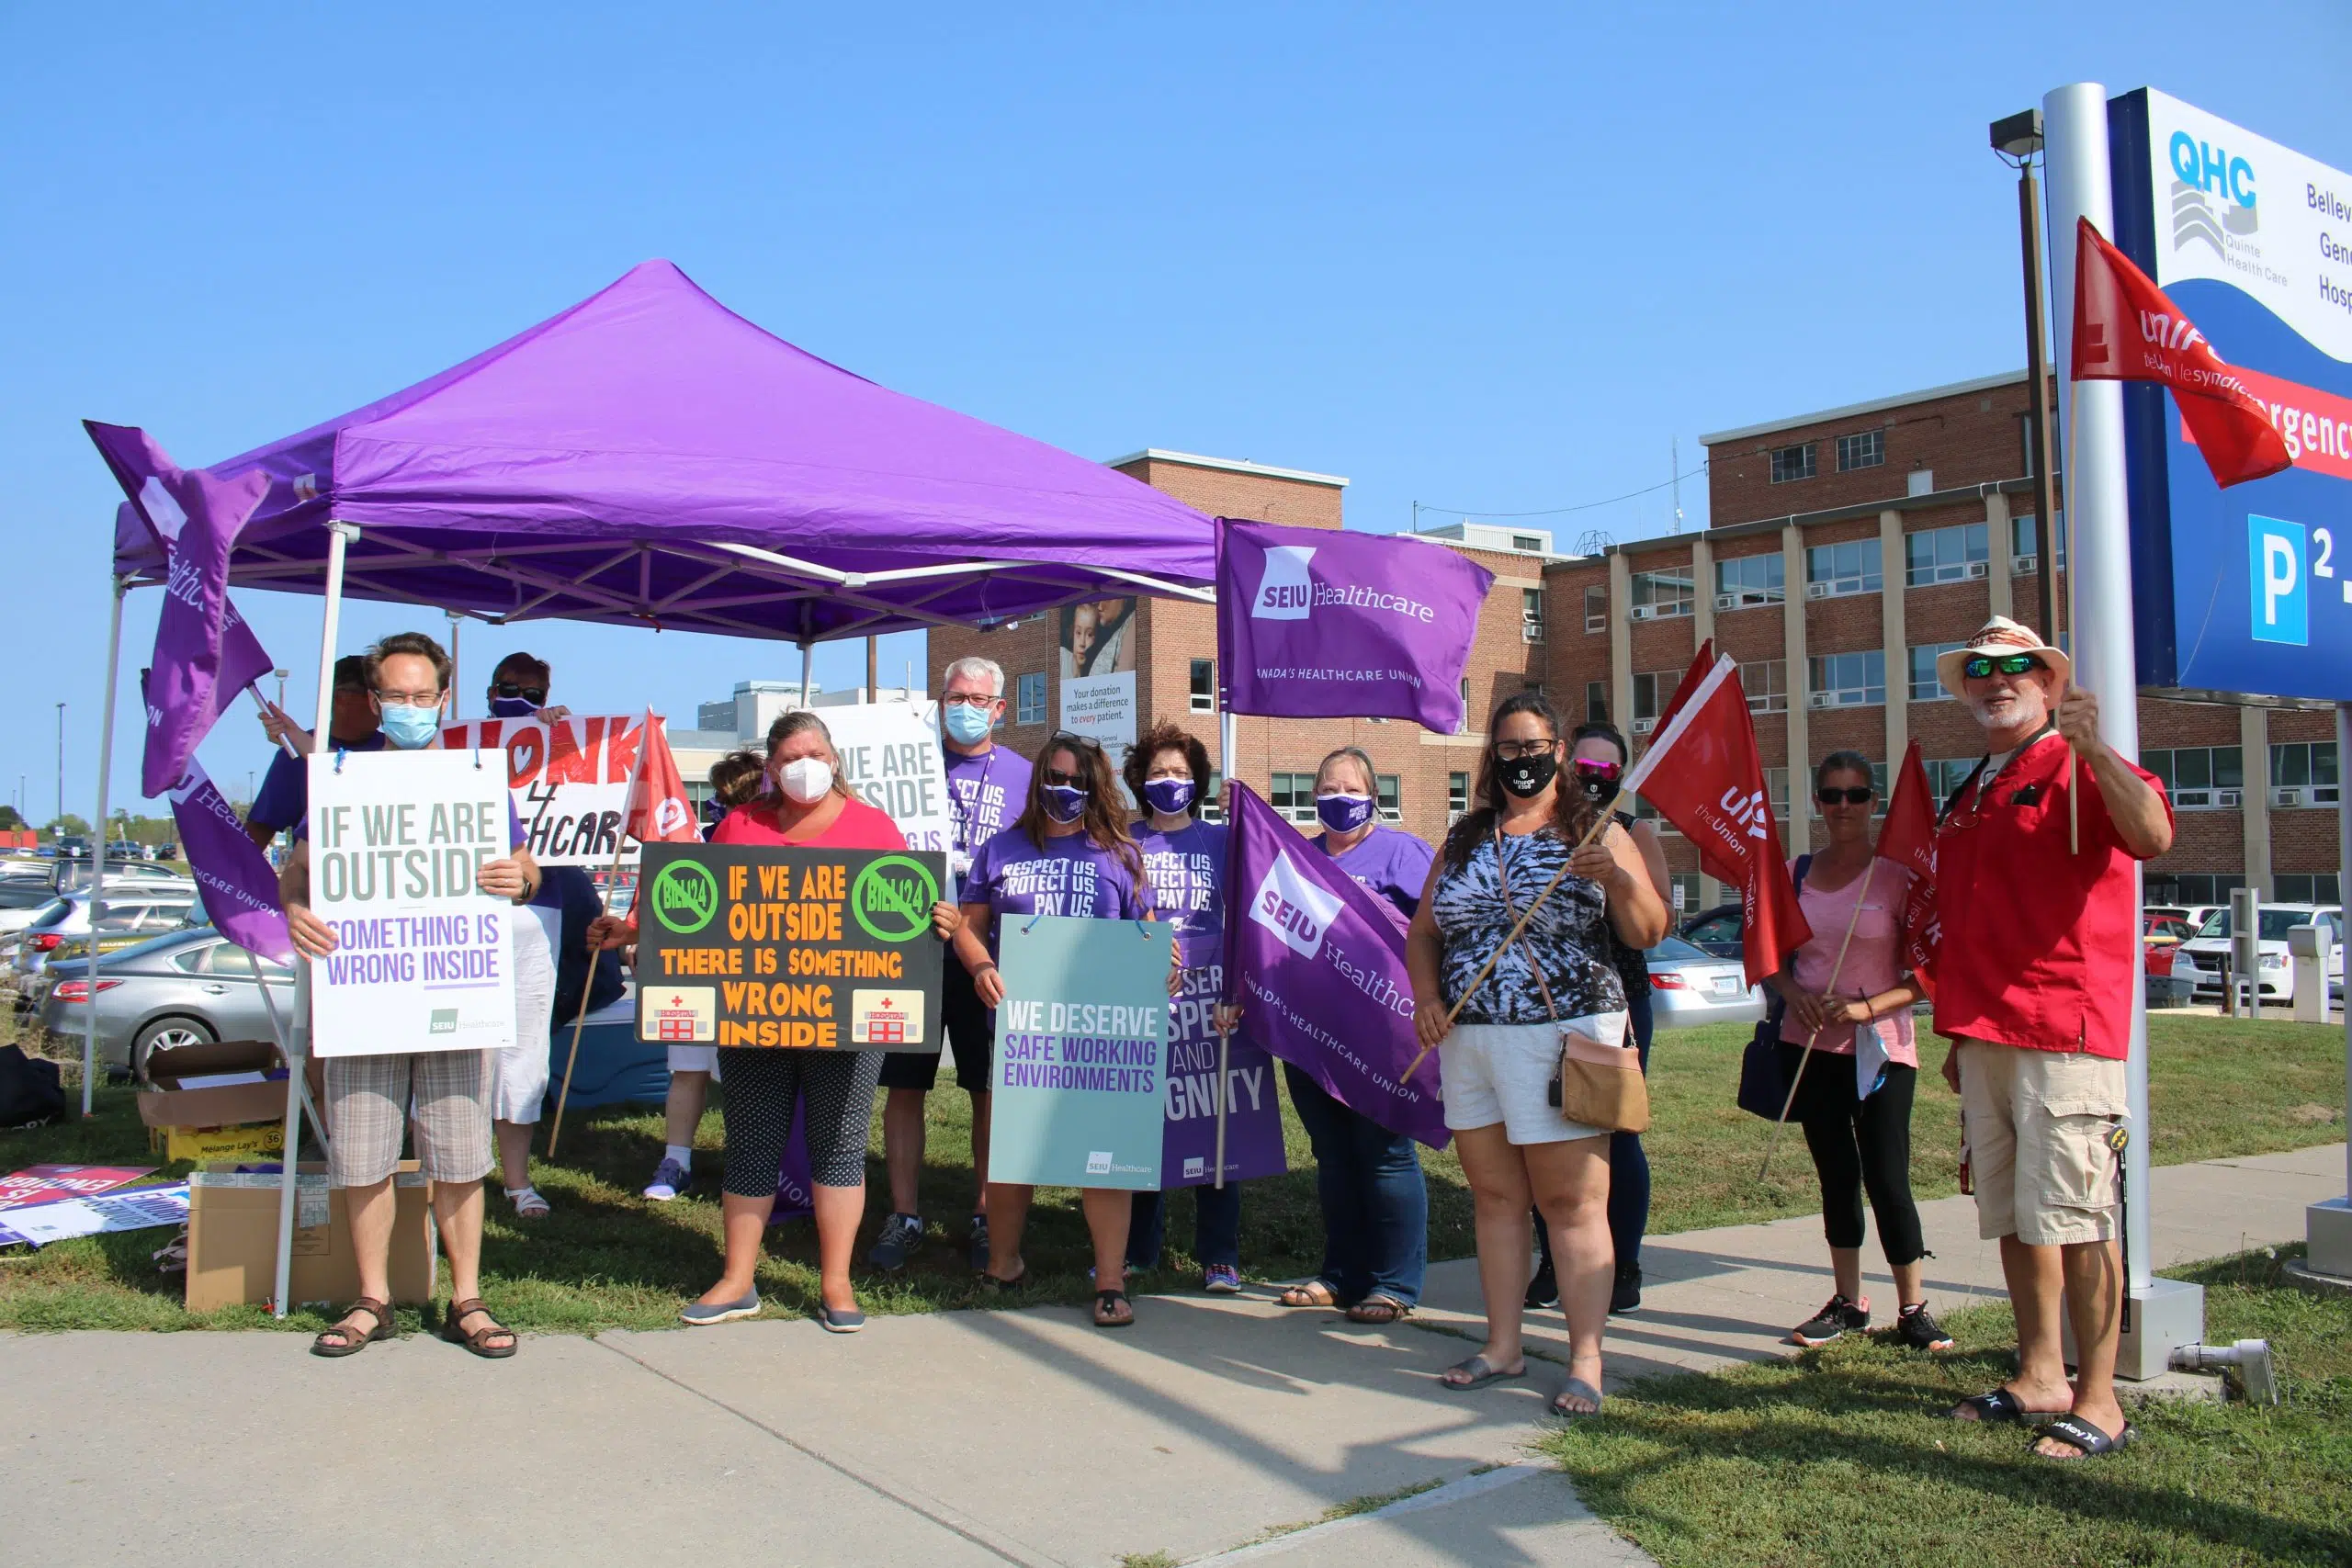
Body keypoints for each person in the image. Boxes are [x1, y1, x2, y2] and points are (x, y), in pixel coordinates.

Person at [589, 711, 958, 1332]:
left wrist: (938, 921)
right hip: (752, 1020)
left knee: (839, 1150)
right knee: (751, 1146)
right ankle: (738, 1279)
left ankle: (836, 1283)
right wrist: (629, 929)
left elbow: (906, 912)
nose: (803, 766)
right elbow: (692, 905)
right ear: (770, 767)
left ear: (835, 759)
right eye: (789, 757)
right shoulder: (738, 826)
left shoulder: (874, 828)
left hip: (843, 1027)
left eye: (813, 752)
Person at [1930, 618, 2172, 1461]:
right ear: (1966, 688)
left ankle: (2100, 1399)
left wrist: (2097, 748)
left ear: (2050, 683)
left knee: (2077, 1216)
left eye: (2019, 667)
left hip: (2064, 1028)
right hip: (1986, 1028)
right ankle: (2041, 1372)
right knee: (2016, 1215)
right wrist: (1959, 1032)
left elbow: (2152, 836)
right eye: (1983, 668)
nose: (2000, 679)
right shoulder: (1974, 785)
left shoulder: (2075, 761)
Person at [283, 631, 542, 1359]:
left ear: (443, 698)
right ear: (374, 700)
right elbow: (299, 870)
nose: (408, 707)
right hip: (364, 993)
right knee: (361, 1154)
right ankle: (373, 1298)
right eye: (395, 695)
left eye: (421, 696)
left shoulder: (474, 779)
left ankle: (467, 1298)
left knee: (460, 1155)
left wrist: (517, 878)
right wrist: (295, 908)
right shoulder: (337, 779)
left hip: (454, 991)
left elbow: (526, 865)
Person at [1407, 692, 1666, 1416]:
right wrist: (1428, 998)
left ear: (1560, 750)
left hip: (1565, 1040)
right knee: (1496, 1199)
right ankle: (1504, 1344)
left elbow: (1648, 929)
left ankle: (1586, 1357)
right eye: (1508, 748)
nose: (1523, 761)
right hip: (1472, 1042)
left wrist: (1613, 877)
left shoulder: (1594, 829)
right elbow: (1424, 932)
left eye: (1535, 747)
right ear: (1492, 756)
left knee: (1571, 1202)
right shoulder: (1463, 837)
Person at [956, 731, 1159, 1327]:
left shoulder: (1119, 855)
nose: (1063, 790)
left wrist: (1162, 965)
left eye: (1077, 781)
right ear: (1037, 778)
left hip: (1100, 1033)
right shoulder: (1001, 849)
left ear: (1095, 788)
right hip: (1023, 1028)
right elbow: (969, 927)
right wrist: (982, 964)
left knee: (1103, 1156)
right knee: (1014, 1150)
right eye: (1055, 777)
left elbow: (1144, 934)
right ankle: (1004, 1262)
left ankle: (1110, 1280)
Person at [1769, 751, 1943, 1351]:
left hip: (1882, 1050)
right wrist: (1796, 995)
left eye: (1858, 794)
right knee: (1836, 1177)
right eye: (1832, 793)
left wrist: (1869, 1007)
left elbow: (1929, 973)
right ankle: (1848, 1302)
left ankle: (1913, 1306)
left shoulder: (1898, 876)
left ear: (1875, 803)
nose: (1845, 805)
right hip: (1810, 1046)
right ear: (1817, 801)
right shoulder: (1794, 873)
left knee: (1888, 1177)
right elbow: (1770, 959)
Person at [871, 658, 1033, 1270]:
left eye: (977, 697)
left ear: (999, 707)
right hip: (911, 945)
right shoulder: (906, 765)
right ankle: (905, 1213)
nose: (964, 705)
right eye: (953, 695)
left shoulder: (1024, 775)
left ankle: (989, 1214)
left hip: (989, 952)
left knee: (989, 1087)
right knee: (905, 1084)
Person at [1277, 746, 1433, 1325]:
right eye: (1327, 787)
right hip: (1311, 1036)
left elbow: (1438, 930)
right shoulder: (1297, 857)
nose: (1337, 797)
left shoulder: (1404, 853)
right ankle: (1341, 1275)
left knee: (1386, 1154)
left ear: (1373, 795)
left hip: (1383, 1035)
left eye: (1350, 787)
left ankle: (1395, 1284)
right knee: (1334, 1157)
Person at [1527, 721, 1670, 1315]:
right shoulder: (1535, 827)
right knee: (1544, 1130)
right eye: (1582, 766)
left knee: (1616, 1130)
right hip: (1544, 1004)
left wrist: (1611, 872)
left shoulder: (1633, 831)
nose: (1592, 777)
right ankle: (1553, 1262)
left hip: (1617, 1003)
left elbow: (1657, 918)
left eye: (1605, 769)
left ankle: (1624, 1261)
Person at [1122, 722, 1241, 1292]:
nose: (1168, 781)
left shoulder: (1222, 841)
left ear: (1197, 781)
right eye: (1158, 772)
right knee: (1142, 1127)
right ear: (1139, 781)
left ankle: (1219, 1253)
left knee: (1212, 1125)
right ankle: (1140, 1249)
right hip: (1143, 996)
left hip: (1211, 1000)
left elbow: (1243, 919)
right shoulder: (1121, 840)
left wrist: (1234, 993)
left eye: (1179, 773)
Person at [644, 749, 765, 1201]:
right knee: (688, 1068)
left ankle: (753, 1164)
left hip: (756, 979)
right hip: (698, 971)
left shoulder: (778, 842)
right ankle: (676, 1160)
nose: (724, 805)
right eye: (719, 796)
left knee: (752, 1078)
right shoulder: (697, 844)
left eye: (733, 794)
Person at [245, 655, 382, 845]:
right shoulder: (294, 756)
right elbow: (259, 832)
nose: (383, 705)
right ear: (340, 698)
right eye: (374, 696)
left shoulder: (396, 751)